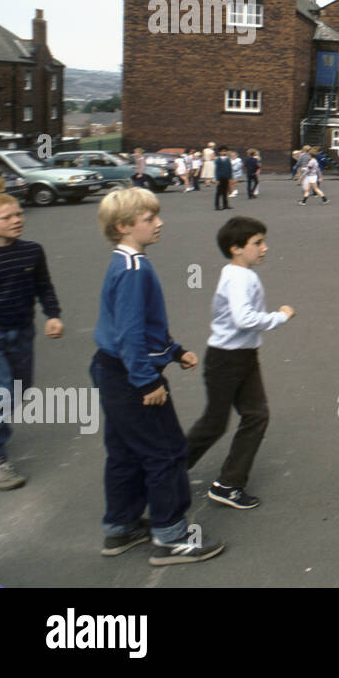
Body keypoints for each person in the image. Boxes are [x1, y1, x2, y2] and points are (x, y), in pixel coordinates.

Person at [91, 188, 224, 564]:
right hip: (132, 377)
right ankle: (171, 536)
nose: (159, 223)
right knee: (167, 452)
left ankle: (120, 528)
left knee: (124, 453)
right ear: (123, 226)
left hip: (112, 369)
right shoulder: (133, 270)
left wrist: (174, 350)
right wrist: (147, 381)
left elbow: (140, 327)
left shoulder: (126, 262)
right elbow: (130, 333)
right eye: (149, 219)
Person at [185, 216, 294, 510]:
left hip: (243, 357)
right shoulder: (237, 277)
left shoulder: (241, 274)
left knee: (256, 415)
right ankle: (166, 471)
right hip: (226, 359)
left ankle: (229, 484)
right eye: (257, 243)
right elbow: (243, 319)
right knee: (214, 423)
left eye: (263, 241)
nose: (264, 248)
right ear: (235, 248)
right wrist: (280, 316)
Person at [0, 195, 64, 490]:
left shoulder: (32, 251)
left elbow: (43, 286)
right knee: (2, 393)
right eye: (7, 217)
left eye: (19, 214)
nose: (17, 220)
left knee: (20, 389)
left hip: (23, 331)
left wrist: (53, 315)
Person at [213, 146, 233, 211]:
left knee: (225, 192)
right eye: (222, 151)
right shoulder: (218, 160)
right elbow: (216, 170)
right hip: (220, 178)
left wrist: (230, 178)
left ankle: (225, 205)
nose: (224, 152)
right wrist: (216, 179)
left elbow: (230, 169)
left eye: (225, 151)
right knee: (218, 192)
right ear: (219, 152)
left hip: (226, 177)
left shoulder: (228, 160)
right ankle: (217, 206)